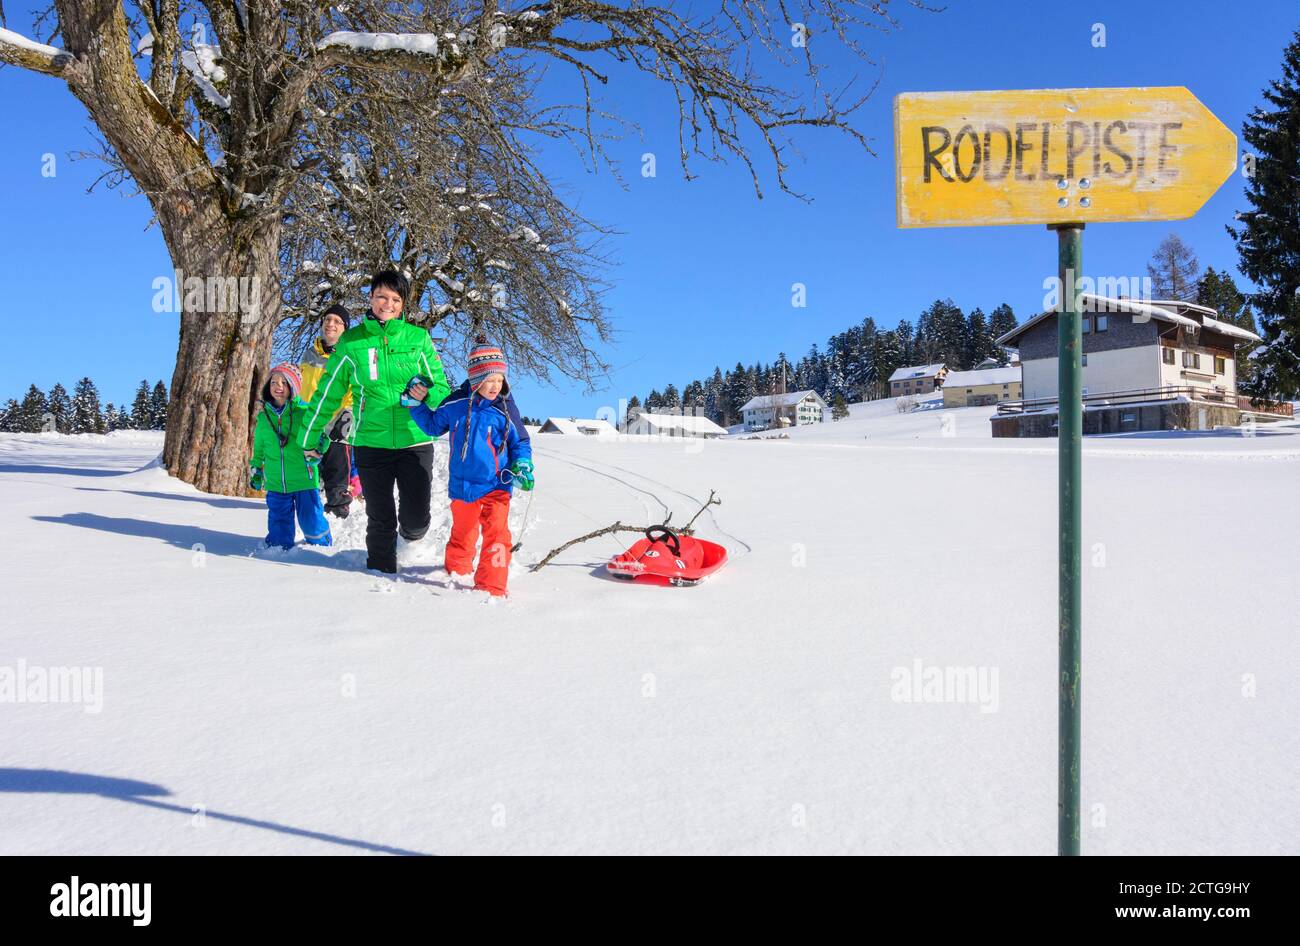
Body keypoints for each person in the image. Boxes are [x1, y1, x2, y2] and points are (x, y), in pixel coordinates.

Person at [297, 269, 450, 574]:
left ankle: (409, 542)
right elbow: (326, 395)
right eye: (382, 296)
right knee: (380, 518)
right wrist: (308, 437)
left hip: (414, 439)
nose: (388, 303)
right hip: (370, 443)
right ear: (370, 298)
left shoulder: (418, 339)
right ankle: (376, 583)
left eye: (395, 299)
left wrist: (427, 393)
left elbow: (441, 388)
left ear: (403, 304)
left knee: (417, 517)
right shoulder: (351, 343)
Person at [406, 339, 534, 597]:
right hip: (463, 485)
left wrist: (522, 463)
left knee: (497, 534)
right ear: (476, 379)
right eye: (490, 380)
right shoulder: (454, 404)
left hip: (497, 483)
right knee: (463, 533)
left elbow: (519, 440)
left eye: (500, 380)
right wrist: (415, 406)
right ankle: (457, 569)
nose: (496, 386)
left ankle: (492, 585)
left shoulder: (505, 408)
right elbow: (433, 426)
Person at [249, 363, 332, 550]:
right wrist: (256, 470)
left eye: (284, 383)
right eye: (274, 382)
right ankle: (278, 550)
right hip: (277, 482)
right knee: (279, 525)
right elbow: (259, 448)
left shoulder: (304, 414)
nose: (278, 387)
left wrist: (319, 447)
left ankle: (323, 546)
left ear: (293, 387)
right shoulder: (263, 419)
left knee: (311, 521)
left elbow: (321, 435)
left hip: (304, 478)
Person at [299, 303, 358, 518]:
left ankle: (338, 503)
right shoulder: (309, 354)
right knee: (307, 463)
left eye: (337, 321)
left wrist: (348, 413)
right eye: (327, 320)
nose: (330, 324)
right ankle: (308, 502)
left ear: (345, 328)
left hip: (335, 418)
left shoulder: (349, 355)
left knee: (336, 462)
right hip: (309, 418)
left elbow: (354, 387)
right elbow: (301, 385)